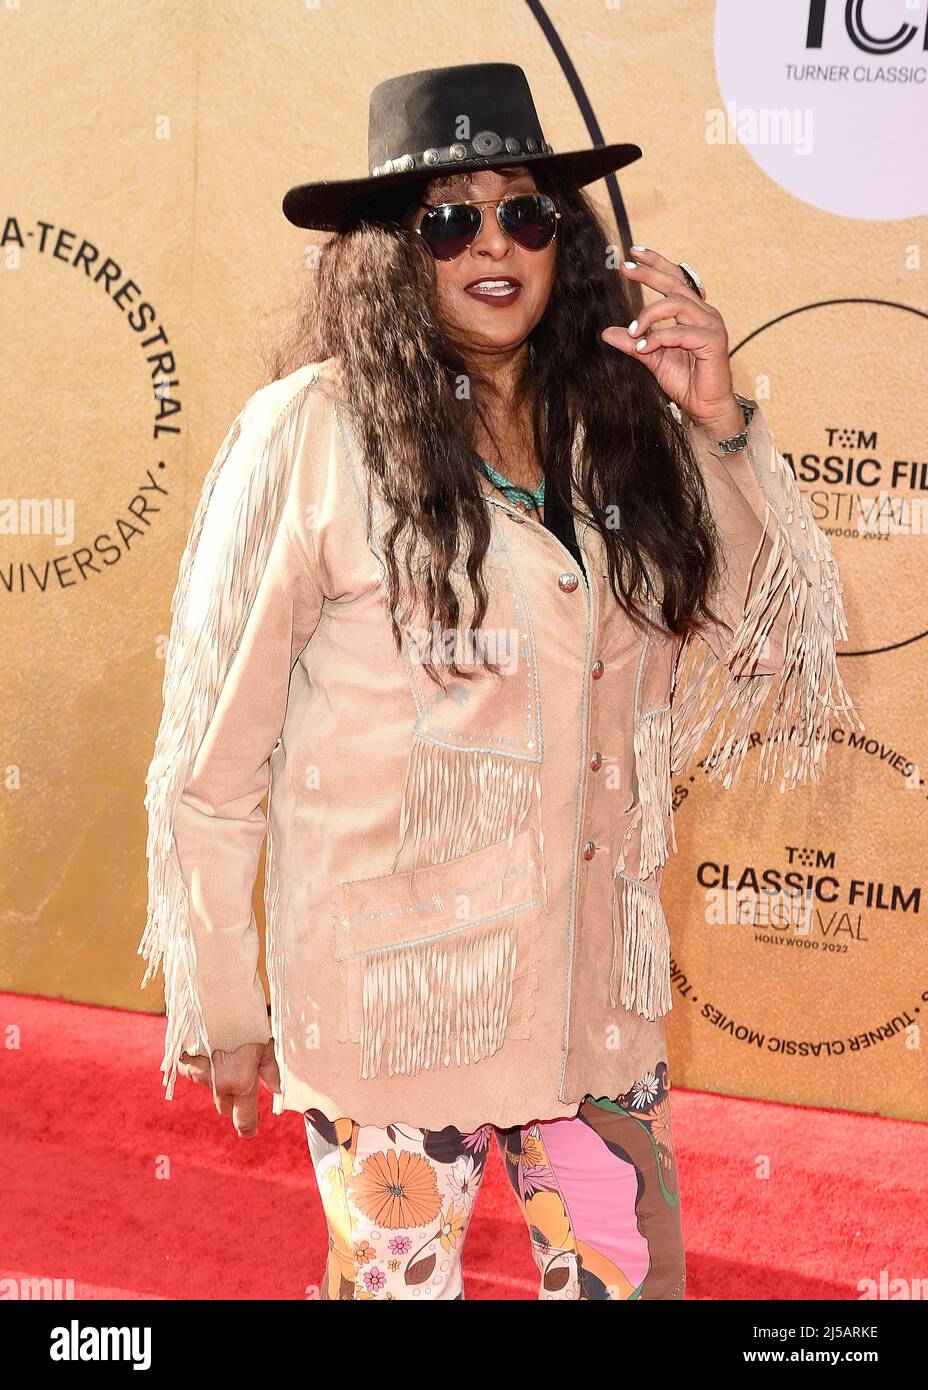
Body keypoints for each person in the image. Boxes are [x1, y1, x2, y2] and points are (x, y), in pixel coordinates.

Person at [140, 63, 863, 1301]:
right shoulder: (310, 432)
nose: (494, 243)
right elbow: (213, 757)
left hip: (593, 1011)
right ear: (387, 252)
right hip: (396, 1020)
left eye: (525, 213)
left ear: (561, 244)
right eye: (448, 218)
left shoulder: (622, 423)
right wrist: (219, 995)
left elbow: (756, 634)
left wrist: (719, 427)